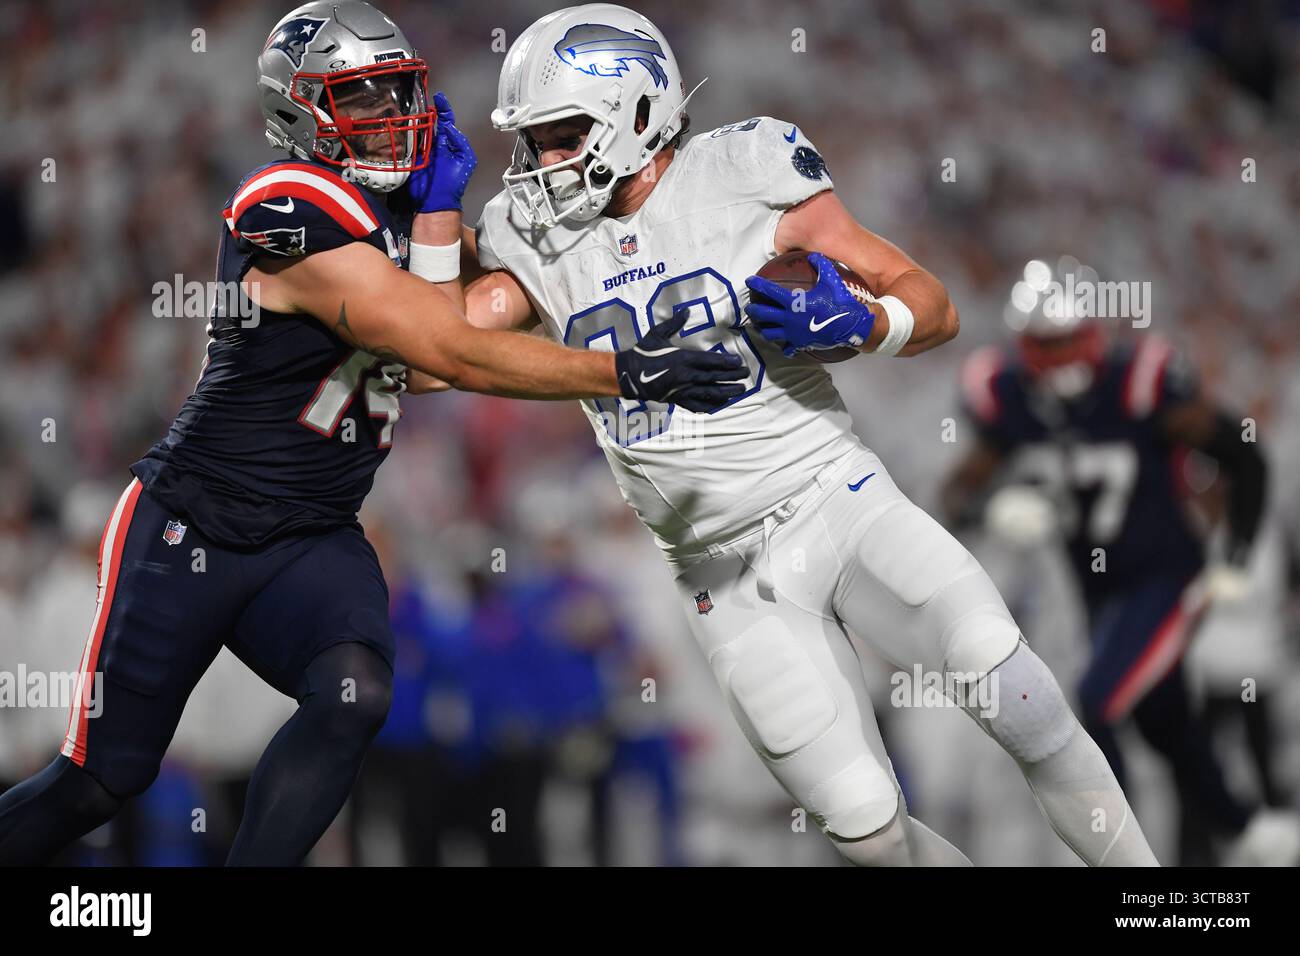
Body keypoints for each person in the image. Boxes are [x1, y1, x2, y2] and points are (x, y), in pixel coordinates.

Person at [0, 0, 744, 867]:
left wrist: (452, 219)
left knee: (355, 693)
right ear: (299, 112)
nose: (390, 118)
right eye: (361, 100)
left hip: (312, 533)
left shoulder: (394, 213)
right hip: (192, 520)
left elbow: (430, 364)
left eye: (398, 93)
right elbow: (446, 351)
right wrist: (629, 368)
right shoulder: (286, 201)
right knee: (101, 783)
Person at [460, 3, 1158, 865]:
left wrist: (866, 325)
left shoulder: (744, 167)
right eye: (534, 141)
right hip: (719, 568)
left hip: (834, 496)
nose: (541, 163)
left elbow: (931, 303)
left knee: (1012, 685)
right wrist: (422, 228)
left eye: (562, 134)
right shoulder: (529, 237)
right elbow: (434, 352)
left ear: (636, 112)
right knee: (865, 829)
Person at [942, 257, 1295, 864]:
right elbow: (956, 496)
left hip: (1169, 578)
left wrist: (1233, 557)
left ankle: (1123, 864)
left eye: (1070, 341)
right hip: (1098, 596)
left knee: (1099, 699)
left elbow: (1246, 454)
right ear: (1023, 345)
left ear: (1095, 334)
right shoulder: (1007, 397)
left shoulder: (1140, 382)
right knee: (1166, 727)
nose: (1060, 360)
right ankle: (1250, 831)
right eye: (1045, 346)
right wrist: (994, 510)